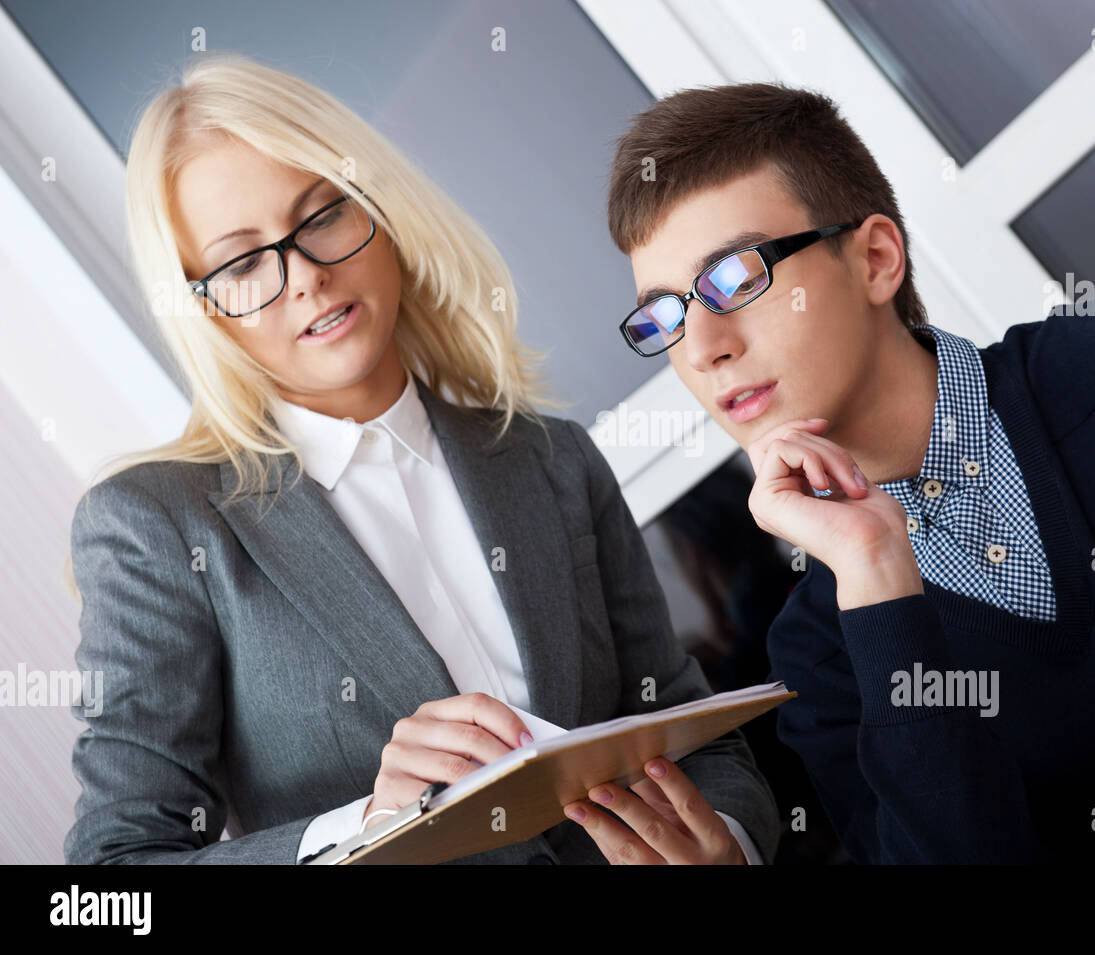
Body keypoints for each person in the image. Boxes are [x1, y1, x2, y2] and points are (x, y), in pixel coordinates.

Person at [63, 53, 779, 865]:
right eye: (242, 263)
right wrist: (367, 825)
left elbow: (695, 735)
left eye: (322, 215)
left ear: (377, 204)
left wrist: (732, 847)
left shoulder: (551, 461)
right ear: (202, 309)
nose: (305, 276)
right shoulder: (156, 525)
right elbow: (108, 879)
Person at [602, 81, 1095, 863]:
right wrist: (875, 574)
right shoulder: (824, 653)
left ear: (875, 259)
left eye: (734, 279)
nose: (702, 348)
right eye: (663, 317)